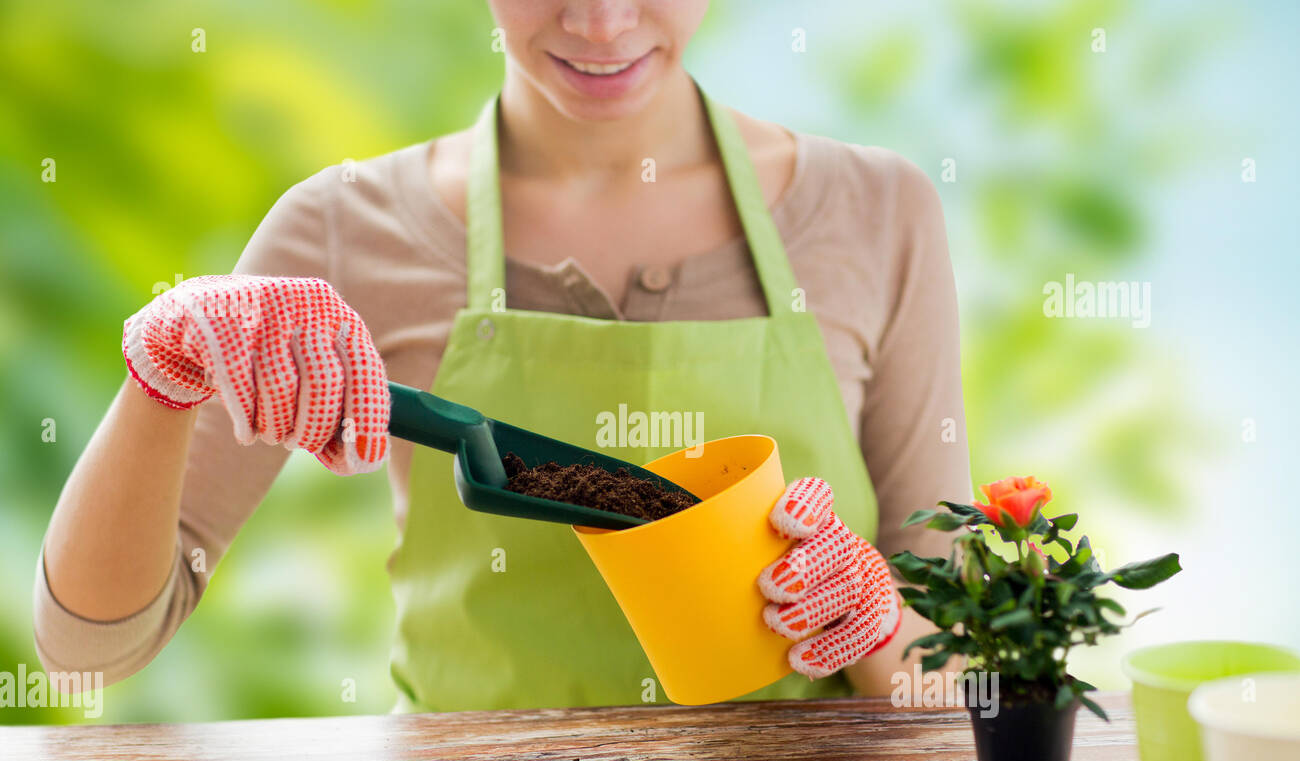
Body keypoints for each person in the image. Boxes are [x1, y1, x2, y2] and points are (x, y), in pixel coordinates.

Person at [35, 0, 972, 712]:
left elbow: (965, 672)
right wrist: (165, 370)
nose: (601, 24)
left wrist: (879, 623)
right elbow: (86, 654)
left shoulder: (879, 213)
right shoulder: (341, 231)